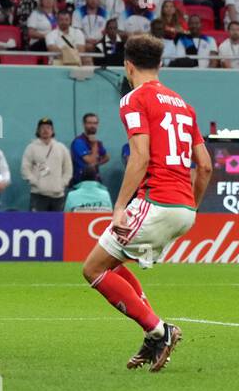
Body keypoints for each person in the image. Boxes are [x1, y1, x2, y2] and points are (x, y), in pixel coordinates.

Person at [81, 34, 213, 373]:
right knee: (111, 262)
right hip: (184, 208)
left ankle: (159, 330)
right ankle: (153, 335)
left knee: (93, 269)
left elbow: (139, 156)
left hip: (156, 200)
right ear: (160, 65)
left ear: (127, 66)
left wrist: (119, 206)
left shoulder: (133, 99)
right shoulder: (184, 105)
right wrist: (191, 208)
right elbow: (206, 165)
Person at [20, 117, 73, 212]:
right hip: (38, 195)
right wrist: (36, 183)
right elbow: (25, 169)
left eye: (48, 128)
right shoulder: (31, 148)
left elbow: (68, 169)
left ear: (52, 131)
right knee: (37, 224)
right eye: (42, 128)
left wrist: (62, 184)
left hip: (58, 196)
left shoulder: (61, 148)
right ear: (38, 130)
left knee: (57, 225)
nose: (45, 130)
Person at [68, 113, 109, 187]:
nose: (92, 126)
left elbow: (106, 157)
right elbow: (91, 161)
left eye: (95, 123)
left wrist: (97, 163)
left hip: (95, 181)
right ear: (84, 124)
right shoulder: (79, 142)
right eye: (89, 123)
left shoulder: (97, 142)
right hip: (81, 182)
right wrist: (94, 145)